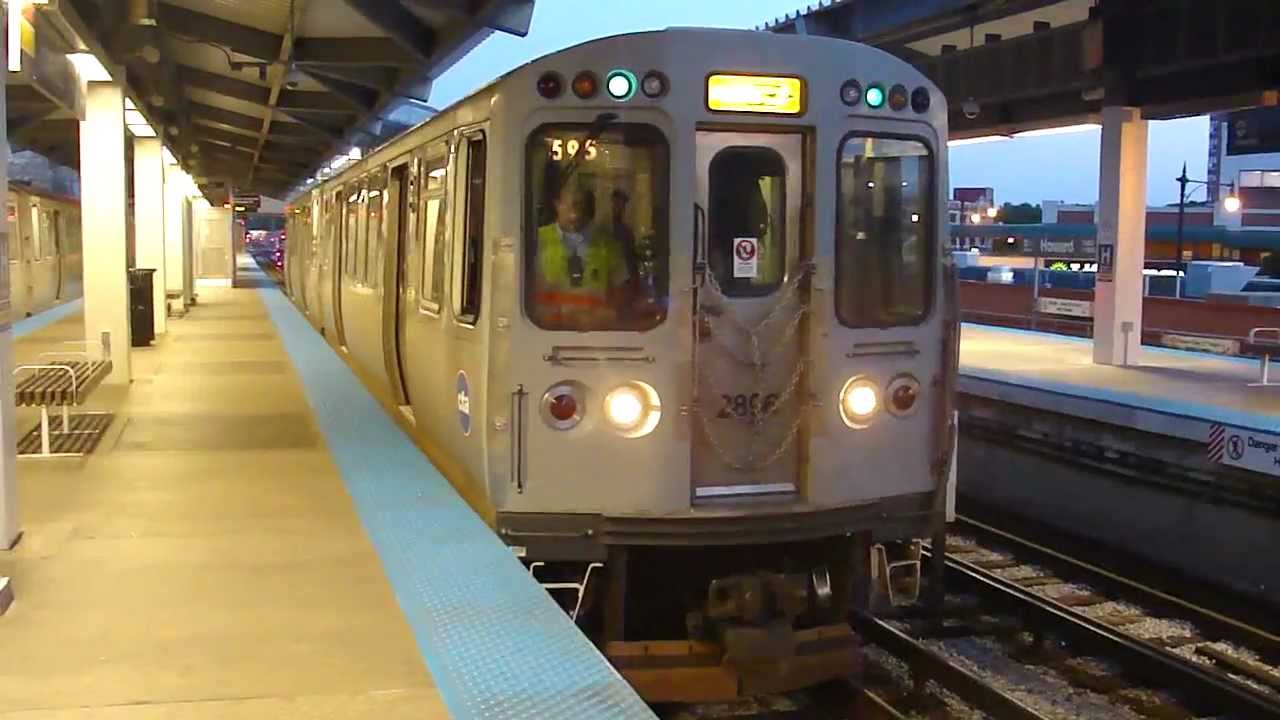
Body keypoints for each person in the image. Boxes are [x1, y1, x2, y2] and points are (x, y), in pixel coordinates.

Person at [533, 185, 629, 329]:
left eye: (582, 206)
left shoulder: (607, 244)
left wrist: (612, 315)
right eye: (571, 205)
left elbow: (622, 291)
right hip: (547, 331)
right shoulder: (537, 240)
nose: (576, 213)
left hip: (596, 333)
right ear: (557, 204)